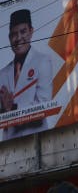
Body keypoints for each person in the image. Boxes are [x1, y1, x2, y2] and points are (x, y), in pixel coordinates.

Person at [0, 8, 54, 139]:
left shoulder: (43, 62)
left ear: (31, 31)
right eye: (14, 34)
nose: (18, 38)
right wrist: (3, 108)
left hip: (39, 139)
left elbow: (43, 107)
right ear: (9, 38)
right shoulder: (2, 74)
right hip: (9, 145)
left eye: (23, 31)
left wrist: (12, 107)